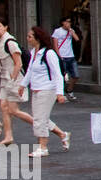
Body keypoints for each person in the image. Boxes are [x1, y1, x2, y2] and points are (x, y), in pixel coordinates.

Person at [24, 26, 70, 158]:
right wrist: (22, 85)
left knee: (40, 119)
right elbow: (29, 71)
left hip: (47, 89)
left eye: (30, 36)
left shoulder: (49, 53)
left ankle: (43, 147)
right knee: (39, 118)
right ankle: (62, 134)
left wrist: (60, 93)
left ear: (37, 38)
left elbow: (57, 74)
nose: (28, 39)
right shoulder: (34, 52)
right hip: (36, 89)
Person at [0, 18, 35, 145]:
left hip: (13, 79)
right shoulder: (0, 41)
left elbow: (18, 63)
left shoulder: (10, 42)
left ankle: (43, 126)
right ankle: (8, 136)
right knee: (4, 107)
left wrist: (12, 80)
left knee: (13, 110)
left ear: (5, 27)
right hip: (5, 79)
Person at [52, 17, 81, 102]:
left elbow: (77, 39)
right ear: (62, 22)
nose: (69, 23)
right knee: (62, 76)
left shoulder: (70, 31)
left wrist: (71, 31)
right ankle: (61, 94)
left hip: (71, 56)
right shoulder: (57, 31)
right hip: (62, 56)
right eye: (67, 22)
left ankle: (69, 90)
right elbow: (55, 44)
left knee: (75, 75)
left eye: (70, 22)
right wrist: (58, 55)